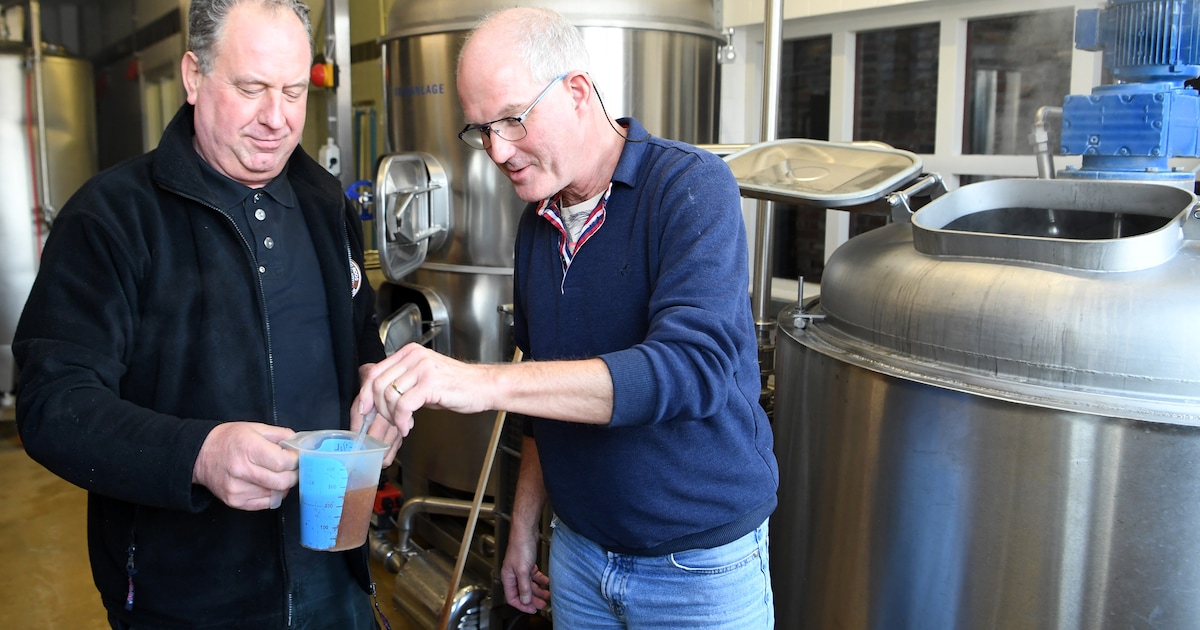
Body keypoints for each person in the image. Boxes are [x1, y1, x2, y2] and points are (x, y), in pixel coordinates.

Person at [359, 7, 778, 628]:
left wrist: (478, 379)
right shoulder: (537, 226)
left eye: (512, 120)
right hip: (578, 558)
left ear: (577, 91)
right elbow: (543, 393)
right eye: (480, 131)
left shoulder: (690, 188)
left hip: (695, 569)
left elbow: (693, 371)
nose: (497, 151)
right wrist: (525, 525)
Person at [13, 0, 404, 627]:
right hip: (187, 598)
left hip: (335, 578)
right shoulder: (111, 219)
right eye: (251, 88)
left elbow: (357, 337)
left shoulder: (323, 203)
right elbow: (51, 403)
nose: (276, 119)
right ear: (194, 77)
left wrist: (375, 383)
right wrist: (198, 453)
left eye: (294, 91)